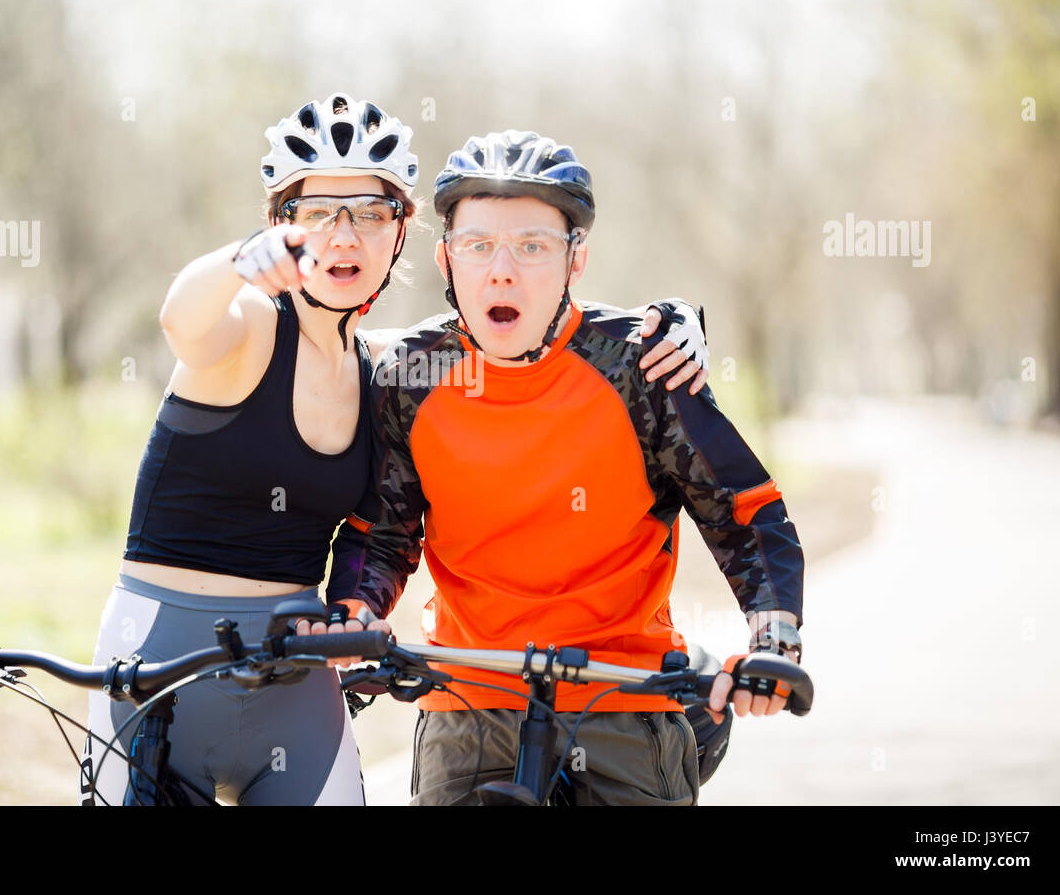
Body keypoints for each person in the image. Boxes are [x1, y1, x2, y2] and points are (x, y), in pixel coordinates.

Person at [77, 97, 710, 805]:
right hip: (163, 656)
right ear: (280, 226)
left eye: (371, 214)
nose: (344, 236)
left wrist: (672, 324)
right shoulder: (251, 322)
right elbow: (182, 322)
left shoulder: (388, 366)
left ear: (401, 234)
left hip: (295, 666)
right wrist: (237, 263)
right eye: (318, 213)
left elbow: (519, 344)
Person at [315, 129, 805, 806]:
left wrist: (774, 640)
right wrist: (353, 612)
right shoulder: (410, 376)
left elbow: (746, 514)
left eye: (533, 247)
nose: (503, 270)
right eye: (478, 245)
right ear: (444, 259)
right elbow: (383, 531)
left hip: (624, 698)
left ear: (576, 260)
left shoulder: (645, 368)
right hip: (468, 700)